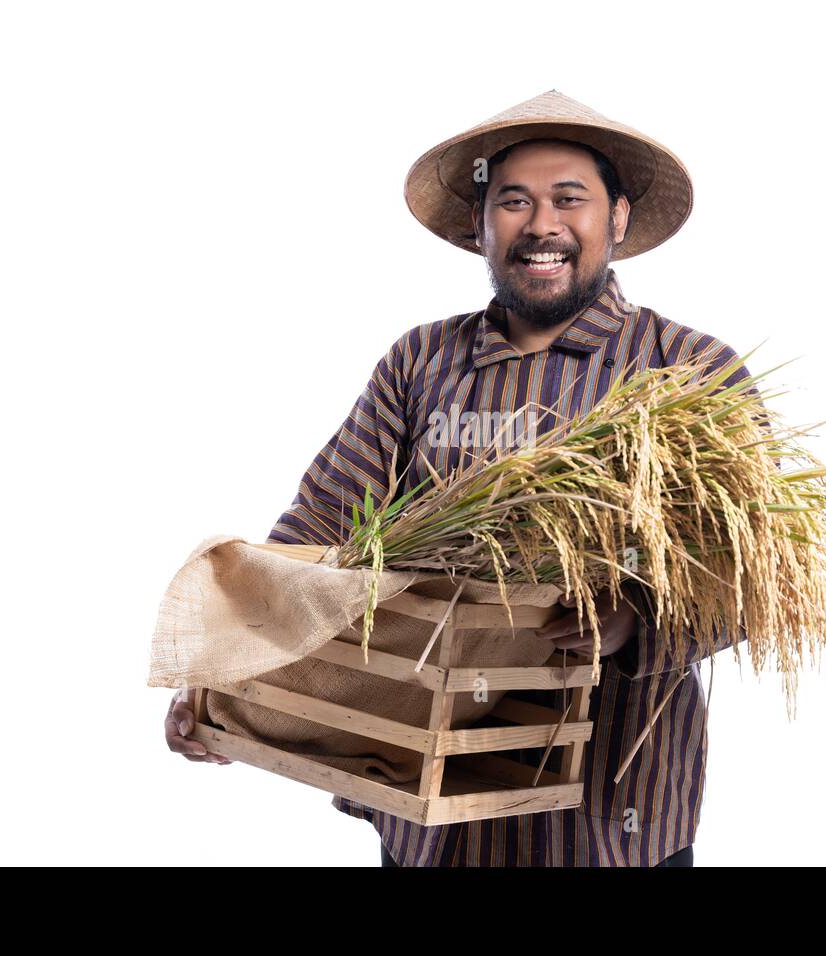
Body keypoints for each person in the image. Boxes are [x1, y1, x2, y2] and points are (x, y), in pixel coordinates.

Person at [166, 90, 757, 866]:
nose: (542, 224)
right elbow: (321, 527)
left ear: (616, 218)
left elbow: (752, 576)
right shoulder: (421, 362)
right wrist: (226, 678)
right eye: (513, 200)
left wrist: (630, 624)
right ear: (481, 226)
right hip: (427, 805)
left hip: (614, 814)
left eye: (568, 199)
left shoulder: (687, 371)